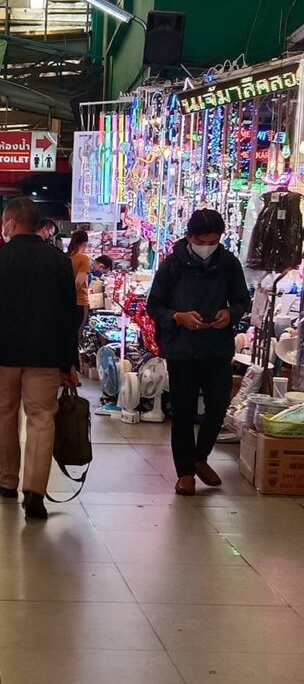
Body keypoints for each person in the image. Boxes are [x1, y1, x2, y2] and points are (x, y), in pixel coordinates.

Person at [0, 197, 80, 520]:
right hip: (46, 355)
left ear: (10, 224)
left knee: (5, 414)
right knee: (42, 418)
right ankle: (35, 492)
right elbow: (70, 316)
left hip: (3, 356)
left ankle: (7, 480)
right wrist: (71, 362)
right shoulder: (58, 261)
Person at [146, 207, 250, 497]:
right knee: (183, 413)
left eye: (213, 242)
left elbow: (243, 300)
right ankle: (186, 474)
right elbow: (154, 306)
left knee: (217, 408)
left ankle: (199, 457)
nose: (207, 248)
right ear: (190, 236)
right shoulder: (171, 266)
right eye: (202, 241)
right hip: (181, 350)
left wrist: (230, 313)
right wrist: (178, 317)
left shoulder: (228, 263)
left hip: (217, 348)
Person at [68, 228, 92, 333]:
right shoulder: (84, 259)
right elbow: (78, 282)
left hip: (66, 302)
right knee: (77, 334)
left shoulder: (67, 257)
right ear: (84, 243)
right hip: (80, 301)